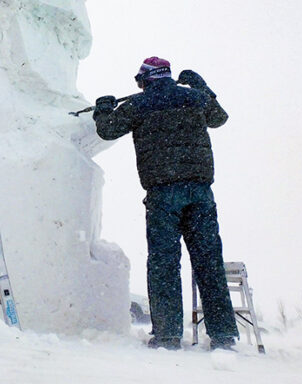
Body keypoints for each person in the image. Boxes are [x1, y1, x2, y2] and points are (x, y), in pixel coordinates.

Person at [92, 57, 239, 351]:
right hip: (200, 193)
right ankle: (223, 335)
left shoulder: (138, 105)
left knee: (164, 265)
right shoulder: (194, 98)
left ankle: (168, 335)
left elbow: (107, 130)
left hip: (163, 195)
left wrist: (104, 108)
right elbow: (219, 118)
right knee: (209, 262)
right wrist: (202, 87)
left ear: (145, 80)